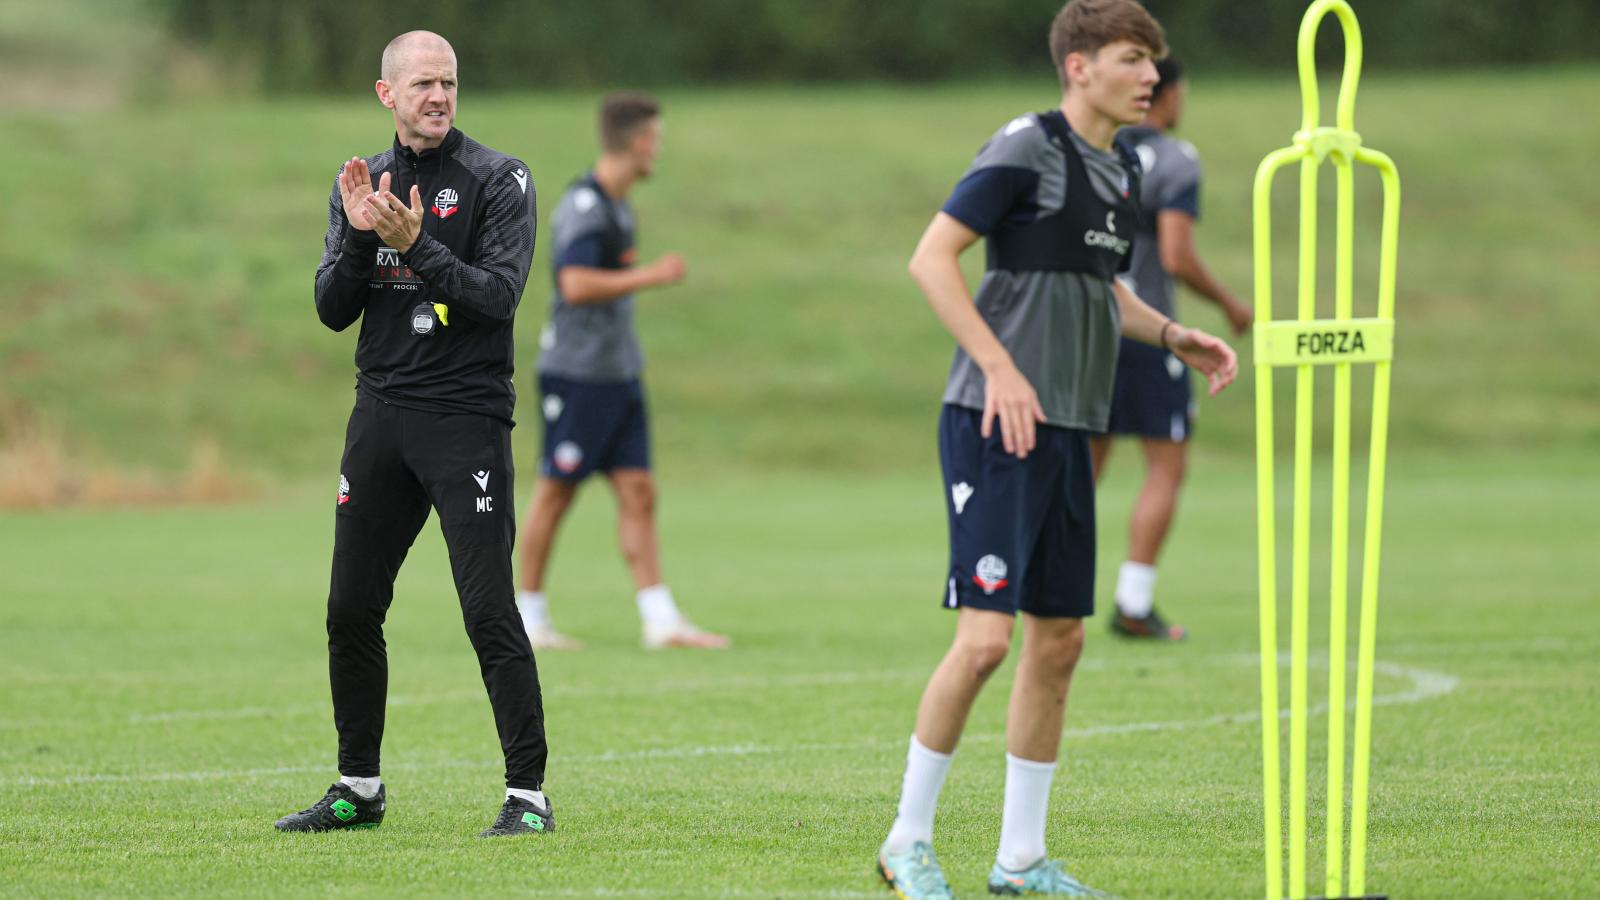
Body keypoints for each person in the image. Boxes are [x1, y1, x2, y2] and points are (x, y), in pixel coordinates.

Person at [875, 2, 1238, 896]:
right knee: (987, 643)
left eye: (1153, 61)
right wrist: (999, 370)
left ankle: (1021, 860)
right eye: (1132, 58)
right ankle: (906, 841)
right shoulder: (1024, 146)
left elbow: (1101, 288)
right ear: (1079, 66)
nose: (1151, 75)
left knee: (1062, 641)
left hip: (1068, 425)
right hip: (992, 422)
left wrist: (1172, 335)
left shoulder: (1118, 170)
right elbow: (932, 258)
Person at [276, 30, 553, 838]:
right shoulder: (363, 181)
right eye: (423, 84)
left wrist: (414, 243)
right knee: (350, 607)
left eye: (450, 83)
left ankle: (527, 796)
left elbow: (496, 296)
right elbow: (332, 309)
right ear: (387, 94)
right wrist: (364, 234)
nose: (439, 97)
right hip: (381, 416)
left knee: (487, 608)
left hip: (464, 419)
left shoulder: (500, 179)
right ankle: (357, 788)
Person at [514, 92, 729, 651]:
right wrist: (653, 276)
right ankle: (527, 616)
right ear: (636, 142)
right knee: (556, 492)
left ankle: (660, 620)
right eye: (655, 139)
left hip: (618, 372)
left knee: (638, 490)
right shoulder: (584, 207)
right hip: (577, 374)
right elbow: (575, 285)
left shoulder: (619, 205)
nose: (658, 150)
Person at [1090, 54, 1253, 642]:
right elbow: (1177, 257)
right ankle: (1133, 602)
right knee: (1165, 465)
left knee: (1084, 468)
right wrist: (1232, 304)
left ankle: (1042, 587)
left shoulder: (1096, 148)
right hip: (1149, 328)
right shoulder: (1177, 159)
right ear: (1167, 92)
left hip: (1091, 327)